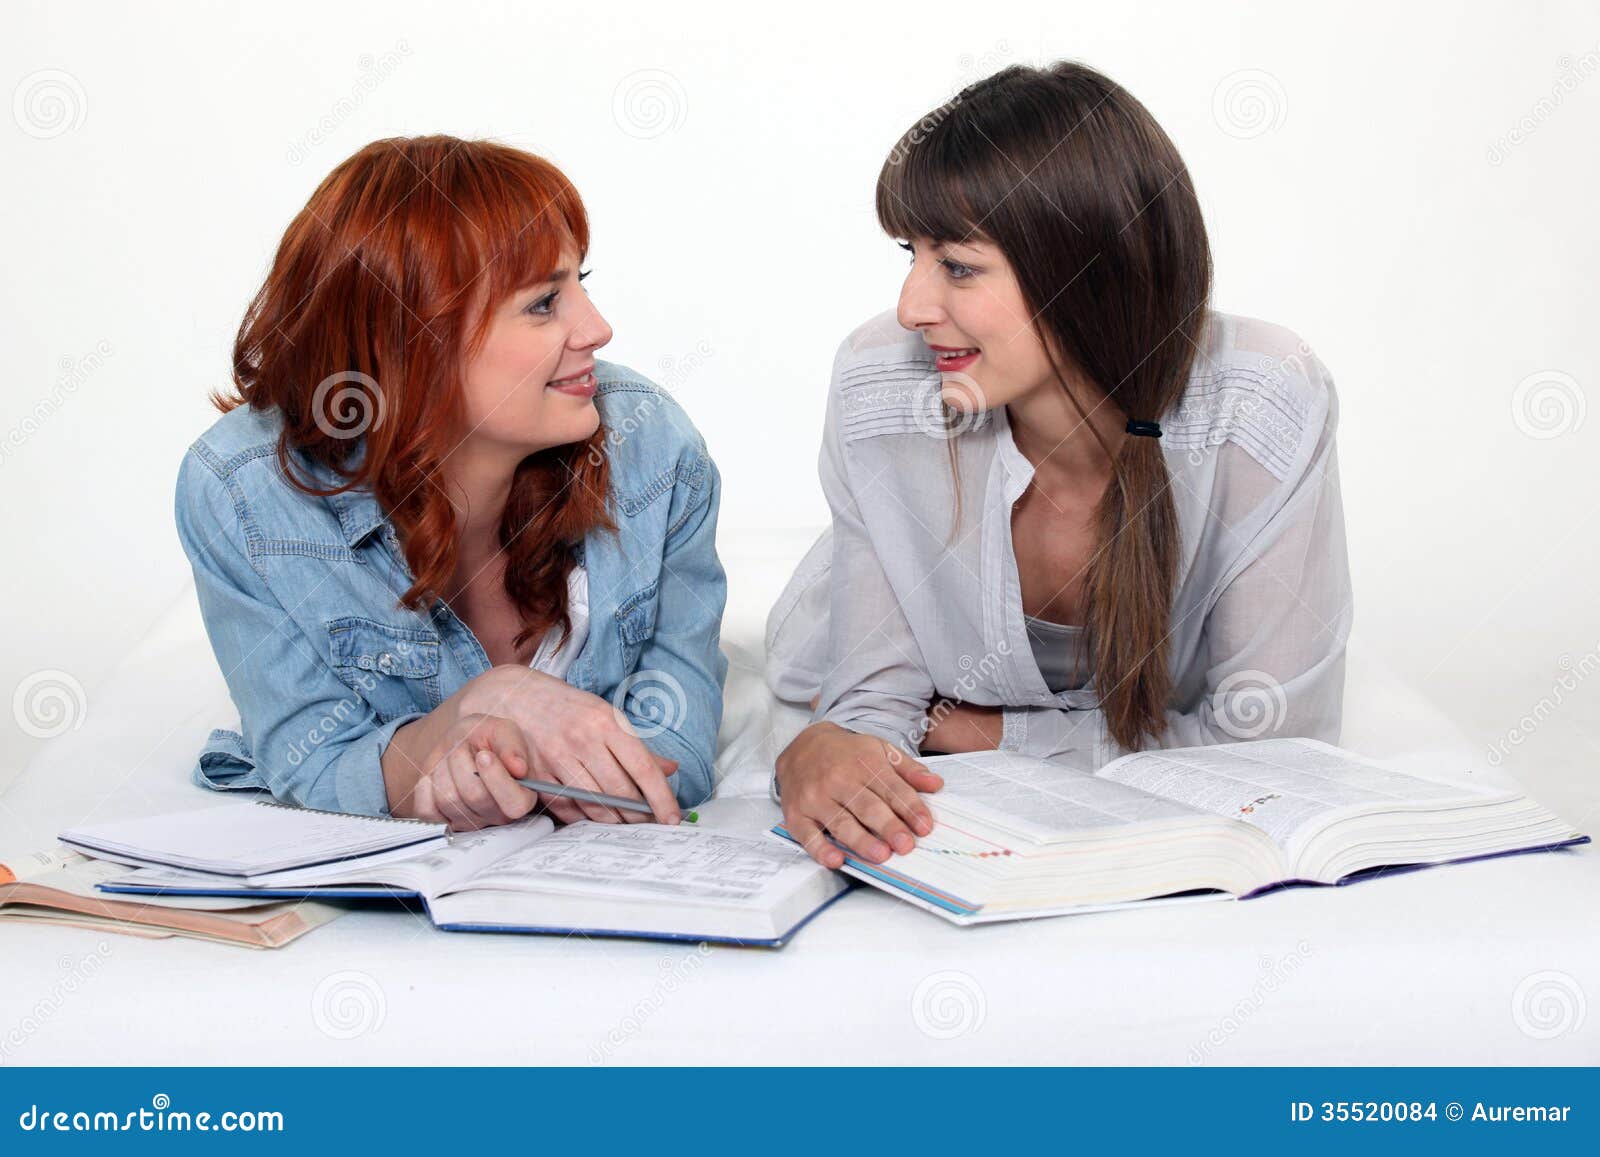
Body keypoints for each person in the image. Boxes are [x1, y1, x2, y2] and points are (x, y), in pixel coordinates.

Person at [766, 62, 1353, 869]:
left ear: (1089, 272)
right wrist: (825, 748)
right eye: (912, 255)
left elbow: (1274, 750)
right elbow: (876, 714)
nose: (911, 306)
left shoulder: (1259, 400)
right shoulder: (884, 381)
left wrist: (993, 734)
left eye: (958, 266)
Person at [175, 135, 727, 831]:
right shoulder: (241, 492)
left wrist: (526, 762)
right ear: (412, 339)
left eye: (581, 284)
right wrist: (459, 725)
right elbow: (309, 761)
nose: (598, 328)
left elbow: (678, 746)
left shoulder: (651, 445)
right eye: (543, 303)